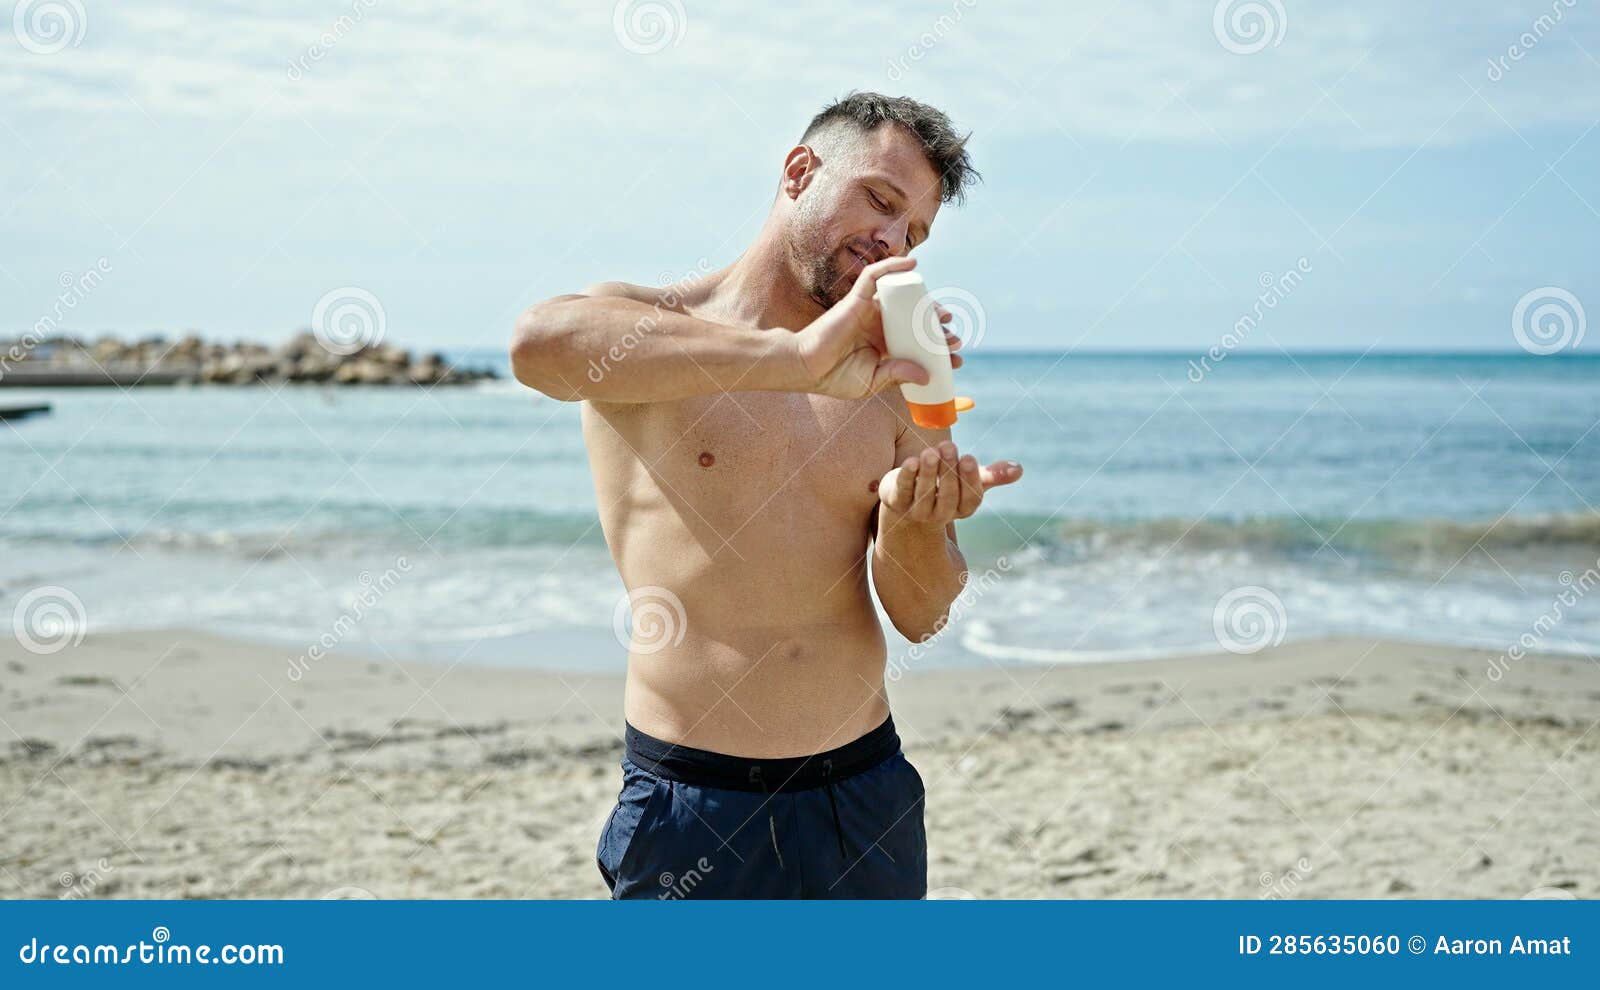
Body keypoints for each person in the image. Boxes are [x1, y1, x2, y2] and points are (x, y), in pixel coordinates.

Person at [510, 92, 1022, 898]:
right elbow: (536, 348)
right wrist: (800, 356)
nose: (891, 240)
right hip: (691, 798)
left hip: (861, 789)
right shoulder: (654, 330)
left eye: (914, 233)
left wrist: (911, 521)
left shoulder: (896, 377)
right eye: (881, 201)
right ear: (799, 171)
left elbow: (922, 614)